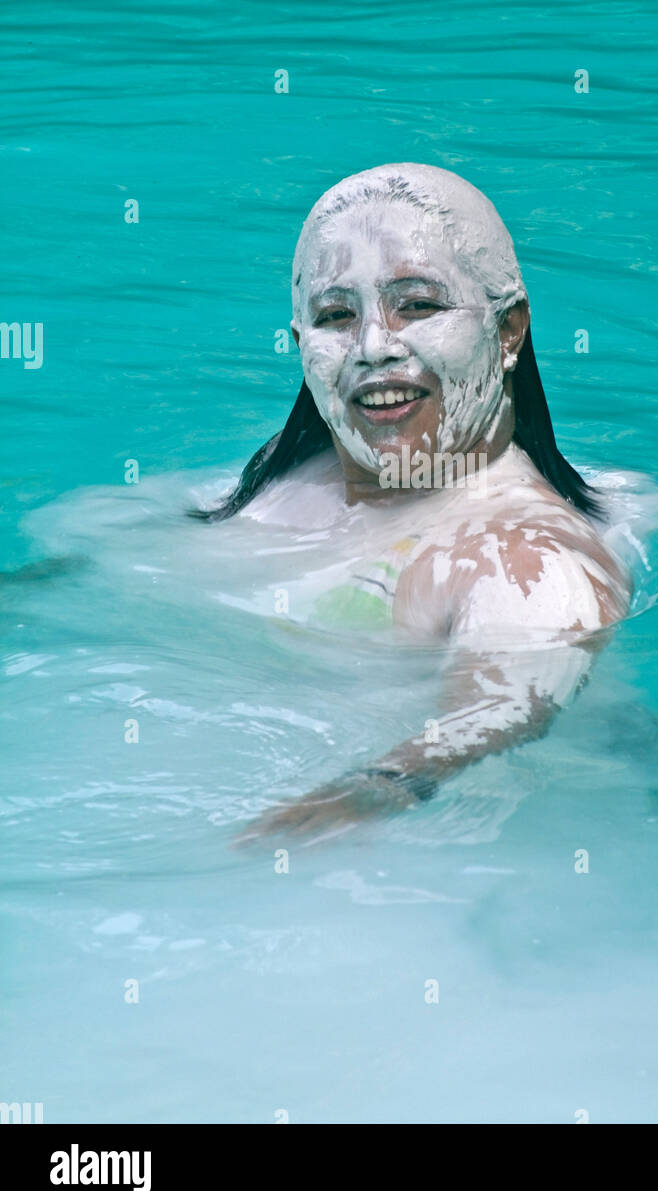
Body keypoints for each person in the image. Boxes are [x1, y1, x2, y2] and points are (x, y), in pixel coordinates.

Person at [200, 163, 631, 844]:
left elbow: (508, 701)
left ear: (509, 329)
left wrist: (376, 791)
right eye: (336, 317)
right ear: (298, 346)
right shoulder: (276, 485)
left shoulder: (524, 553)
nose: (374, 347)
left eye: (418, 306)